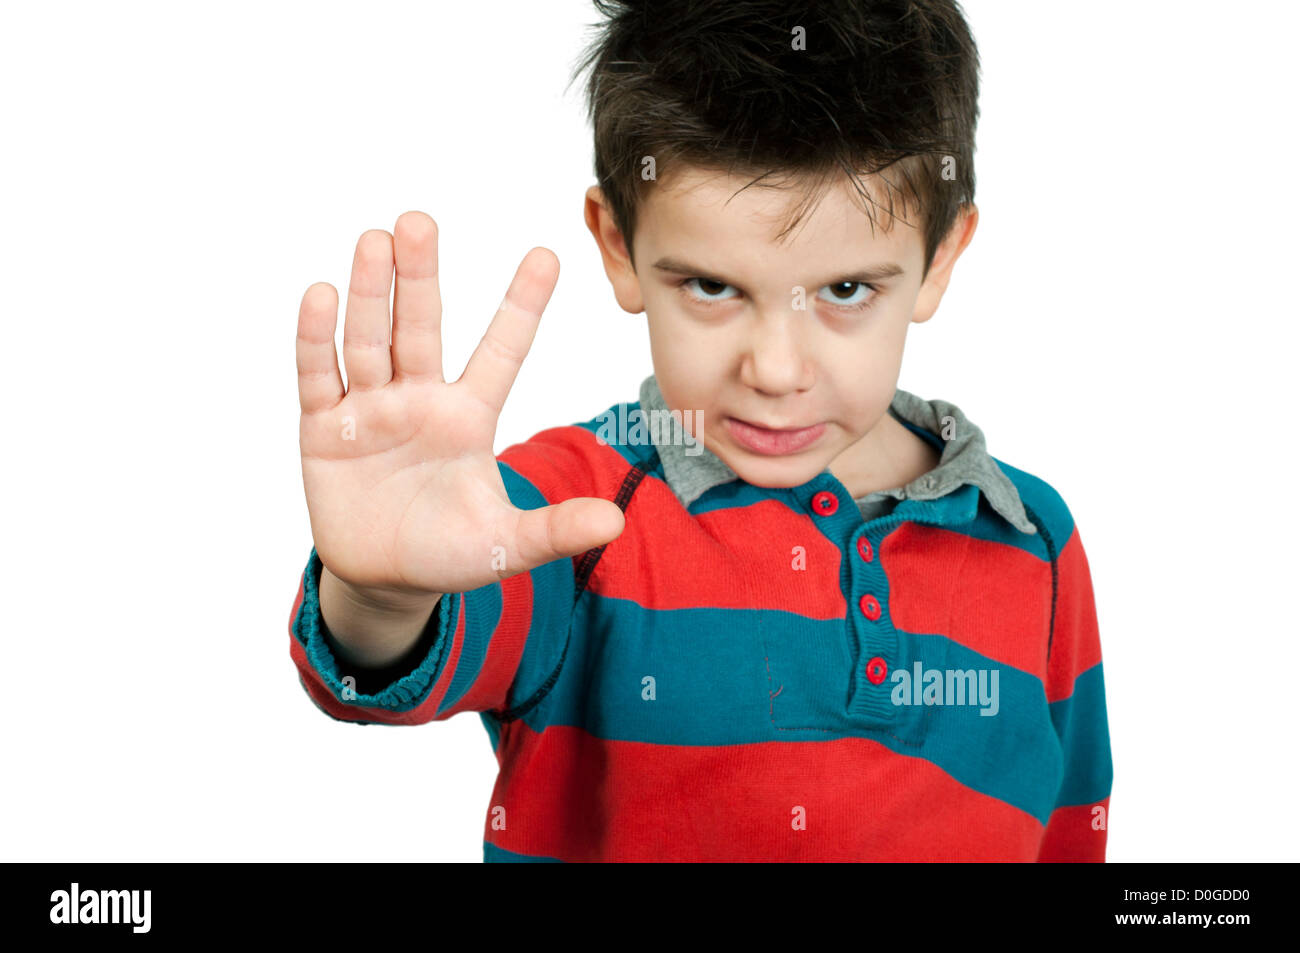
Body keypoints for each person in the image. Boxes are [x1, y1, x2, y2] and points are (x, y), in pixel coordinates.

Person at [289, 0, 1112, 862]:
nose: (776, 369)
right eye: (715, 288)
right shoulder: (572, 510)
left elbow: (1073, 829)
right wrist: (380, 596)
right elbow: (376, 668)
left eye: (845, 292)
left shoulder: (1032, 536)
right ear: (619, 244)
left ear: (940, 259)